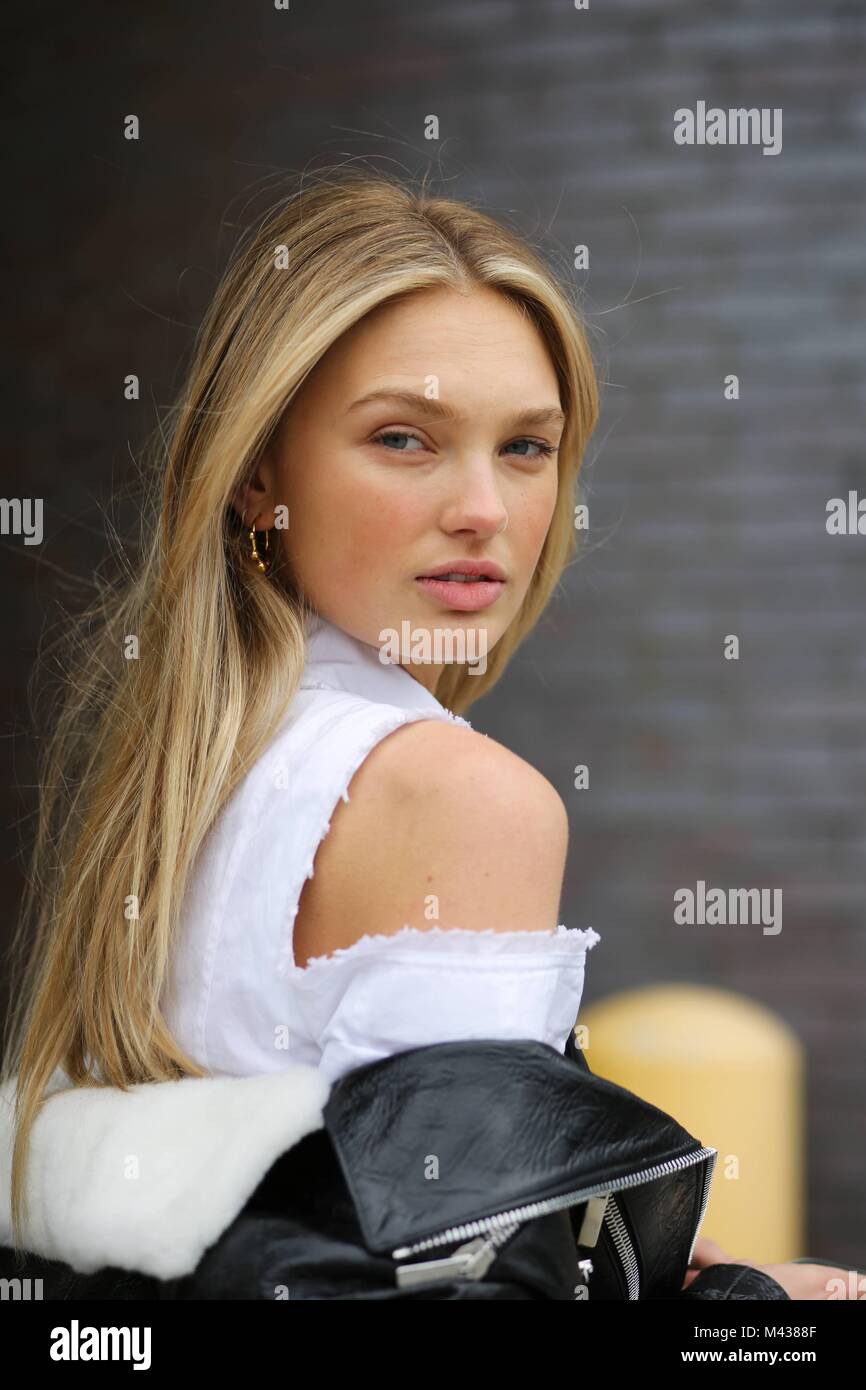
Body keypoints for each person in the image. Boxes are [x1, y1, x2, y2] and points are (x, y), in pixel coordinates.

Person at [0, 168, 852, 1298]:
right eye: (404, 438)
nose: (483, 510)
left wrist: (607, 1265)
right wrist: (755, 1319)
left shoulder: (168, 780)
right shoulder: (455, 795)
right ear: (258, 472)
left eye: (525, 448)